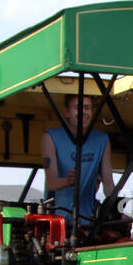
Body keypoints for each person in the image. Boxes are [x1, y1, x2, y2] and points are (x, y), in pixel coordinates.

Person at [41, 94, 118, 228]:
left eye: (87, 108)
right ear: (66, 112)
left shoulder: (102, 140)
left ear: (92, 112)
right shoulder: (50, 137)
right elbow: (51, 183)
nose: (83, 112)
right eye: (78, 108)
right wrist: (67, 181)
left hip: (87, 220)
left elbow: (108, 184)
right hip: (57, 220)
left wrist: (117, 208)